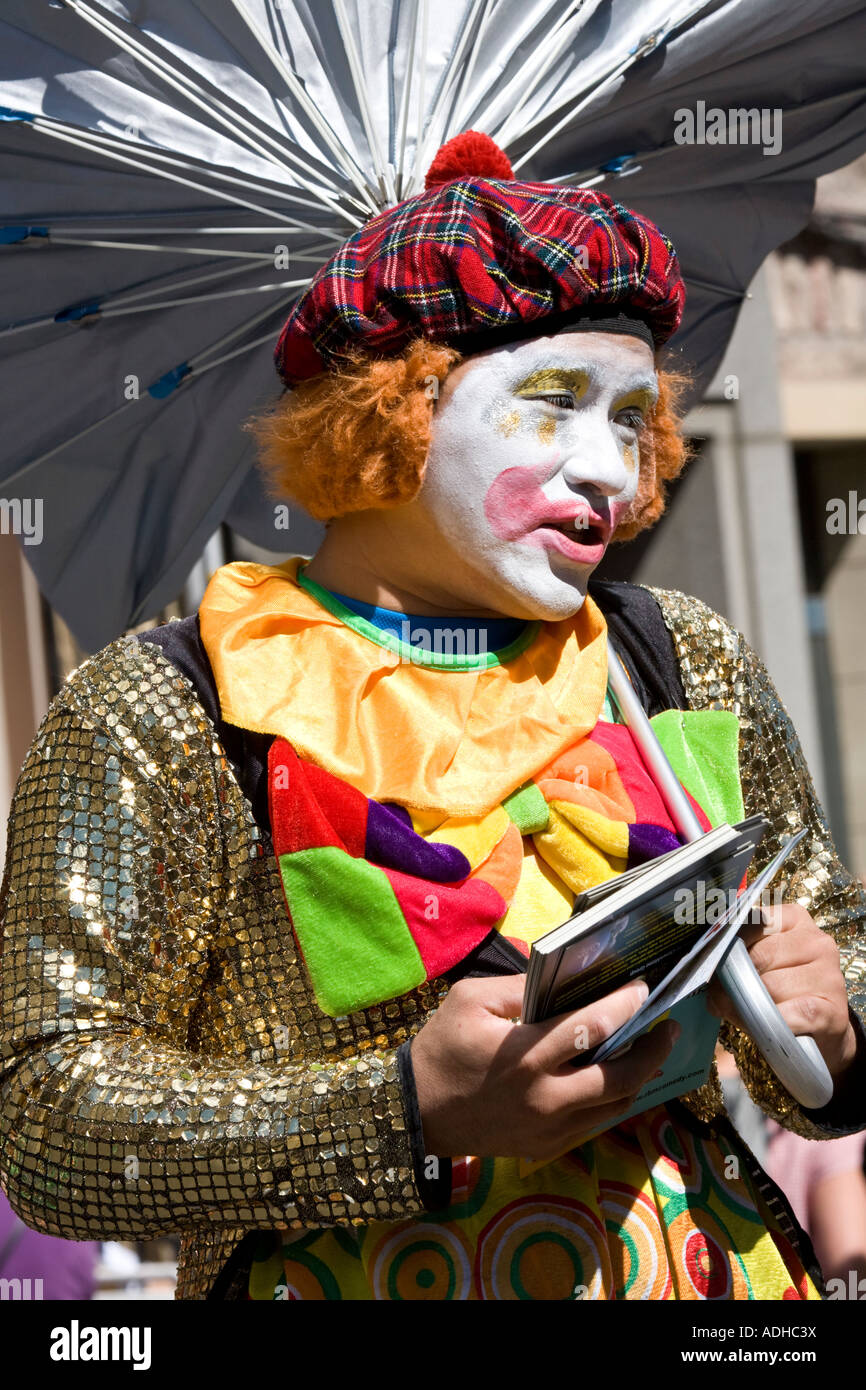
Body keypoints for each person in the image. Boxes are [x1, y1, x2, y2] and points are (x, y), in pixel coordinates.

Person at [1, 133, 865, 1302]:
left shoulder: (672, 653)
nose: (610, 469)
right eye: (551, 403)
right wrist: (400, 1106)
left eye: (629, 418)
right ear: (388, 411)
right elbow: (52, 1123)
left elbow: (829, 945)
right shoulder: (172, 707)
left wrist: (830, 1008)